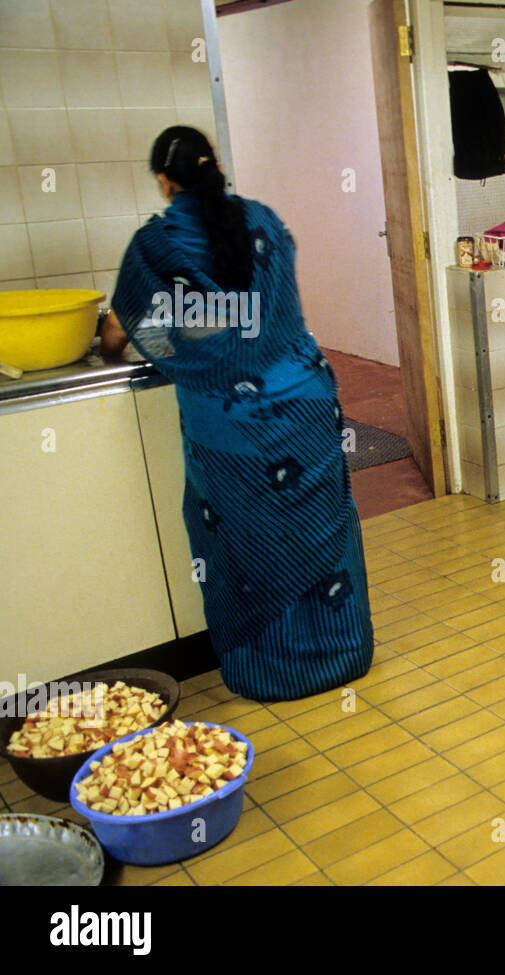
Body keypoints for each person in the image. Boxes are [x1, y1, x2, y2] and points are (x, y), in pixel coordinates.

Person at [101, 126, 373, 702]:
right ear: (215, 166)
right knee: (320, 537)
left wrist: (125, 343)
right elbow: (274, 311)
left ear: (163, 180)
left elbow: (126, 332)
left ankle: (271, 673)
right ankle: (342, 653)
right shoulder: (263, 222)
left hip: (230, 429)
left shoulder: (154, 249)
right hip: (305, 404)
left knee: (245, 544)